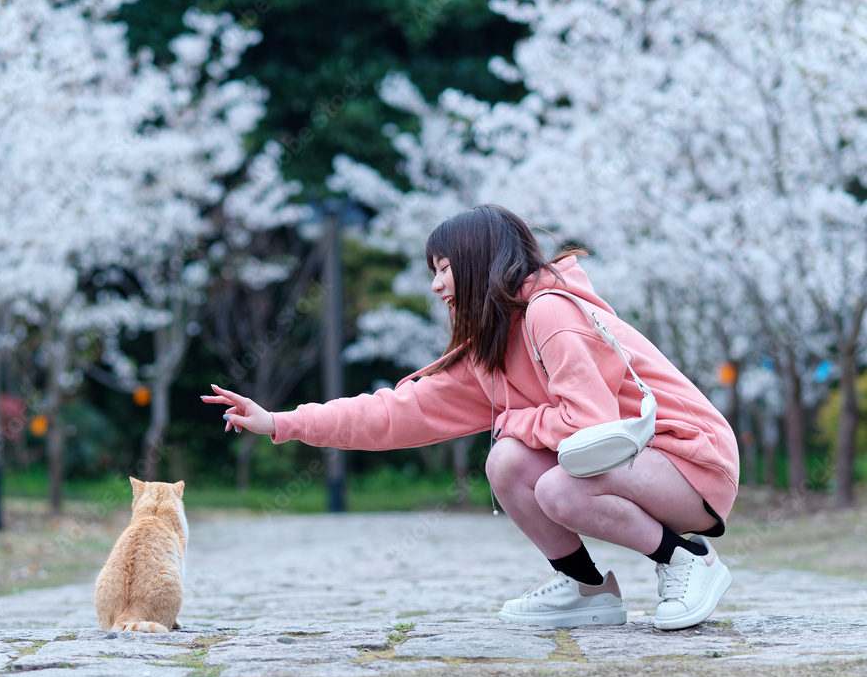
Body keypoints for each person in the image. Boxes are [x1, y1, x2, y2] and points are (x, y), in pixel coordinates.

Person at [203, 204, 739, 631]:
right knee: (507, 462)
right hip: (632, 466)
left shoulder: (552, 312)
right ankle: (586, 590)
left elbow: (591, 427)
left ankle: (687, 559)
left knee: (554, 483)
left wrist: (515, 423)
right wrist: (279, 422)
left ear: (480, 260)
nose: (436, 286)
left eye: (444, 269)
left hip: (690, 461)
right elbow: (394, 413)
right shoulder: (491, 351)